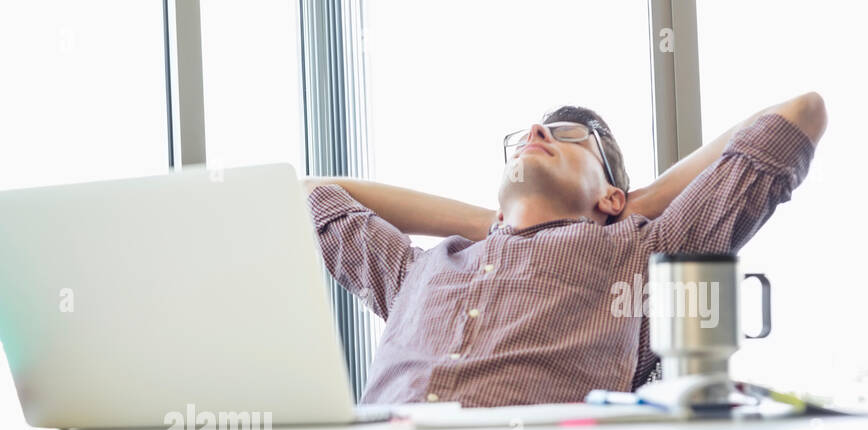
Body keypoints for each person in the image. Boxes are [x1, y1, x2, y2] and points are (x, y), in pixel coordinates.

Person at [303, 93, 827, 407]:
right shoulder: (416, 272)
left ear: (611, 194)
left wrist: (636, 204)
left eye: (568, 136)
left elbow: (800, 113)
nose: (536, 132)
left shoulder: (640, 252)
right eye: (531, 136)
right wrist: (492, 221)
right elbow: (307, 194)